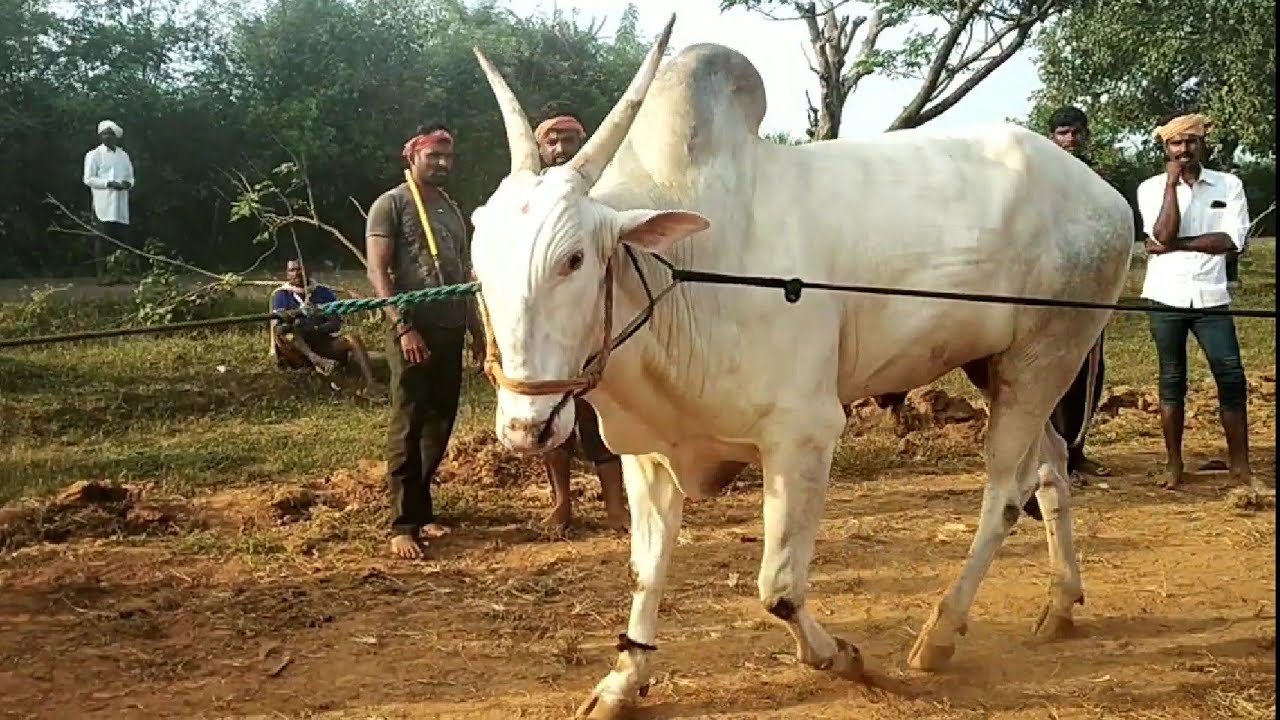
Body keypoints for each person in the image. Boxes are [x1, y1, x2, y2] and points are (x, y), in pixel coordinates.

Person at [366, 124, 485, 560]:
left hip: (451, 326)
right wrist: (402, 327)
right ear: (412, 157)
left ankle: (423, 509)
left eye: (447, 158)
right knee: (409, 421)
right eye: (433, 156)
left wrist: (476, 332)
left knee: (441, 423)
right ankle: (402, 523)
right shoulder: (390, 205)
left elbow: (462, 275)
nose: (442, 164)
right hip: (413, 329)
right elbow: (379, 273)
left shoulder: (452, 209)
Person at [1136, 112, 1254, 491]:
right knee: (1172, 380)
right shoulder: (1151, 188)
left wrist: (1173, 246)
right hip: (1165, 295)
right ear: (1165, 149)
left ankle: (1240, 466)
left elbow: (1229, 242)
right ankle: (1174, 465)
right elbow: (1161, 230)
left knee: (1231, 377)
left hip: (1211, 297)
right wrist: (1172, 187)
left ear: (1203, 144)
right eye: (1175, 143)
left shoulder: (1229, 184)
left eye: (1190, 142)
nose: (1183, 149)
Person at [531, 102, 631, 534]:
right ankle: (562, 504)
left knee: (599, 418)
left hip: (599, 329)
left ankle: (615, 506)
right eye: (551, 141)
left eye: (568, 141)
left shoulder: (605, 194)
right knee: (550, 421)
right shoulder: (529, 200)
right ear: (539, 149)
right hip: (549, 335)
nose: (559, 148)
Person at [1043, 106, 1111, 483]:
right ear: (1051, 136)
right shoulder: (1037, 179)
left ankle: (1075, 451)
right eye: (1062, 133)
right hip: (1045, 288)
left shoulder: (1094, 180)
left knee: (1088, 371)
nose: (1069, 140)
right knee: (1042, 370)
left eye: (1075, 133)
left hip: (1087, 288)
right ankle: (1046, 451)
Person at [269, 258, 382, 394]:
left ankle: (371, 382)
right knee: (288, 331)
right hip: (295, 346)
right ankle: (318, 362)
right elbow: (278, 327)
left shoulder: (323, 292)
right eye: (293, 270)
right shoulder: (281, 295)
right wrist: (296, 322)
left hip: (320, 340)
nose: (297, 273)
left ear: (308, 271)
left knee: (352, 338)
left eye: (300, 269)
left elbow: (335, 323)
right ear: (287, 274)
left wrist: (316, 328)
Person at [82, 120, 134, 285]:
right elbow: (88, 179)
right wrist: (108, 183)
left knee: (122, 240)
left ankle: (119, 273)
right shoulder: (94, 155)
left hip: (120, 202)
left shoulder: (123, 155)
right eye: (104, 133)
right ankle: (101, 275)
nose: (107, 137)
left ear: (116, 137)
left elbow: (130, 177)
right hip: (103, 202)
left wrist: (127, 184)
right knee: (102, 239)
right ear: (100, 136)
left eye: (110, 134)